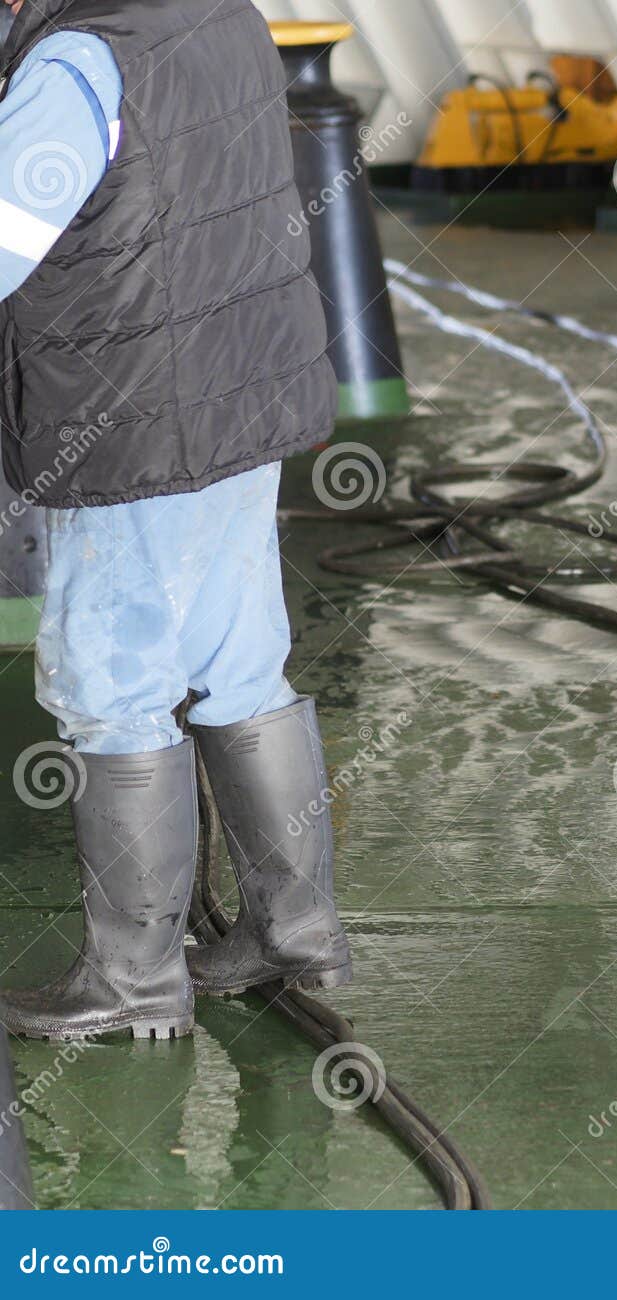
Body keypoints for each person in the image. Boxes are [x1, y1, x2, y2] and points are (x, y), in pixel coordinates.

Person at [0, 0, 353, 1041]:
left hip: (134, 418)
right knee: (240, 657)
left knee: (110, 680)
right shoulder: (221, 15)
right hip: (241, 396)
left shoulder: (76, 59)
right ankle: (295, 928)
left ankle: (135, 981)